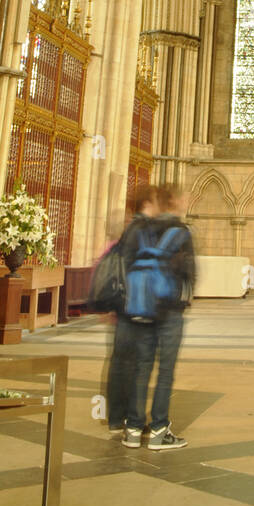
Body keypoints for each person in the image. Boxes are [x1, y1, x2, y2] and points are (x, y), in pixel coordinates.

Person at [122, 184, 196, 451]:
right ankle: (158, 431)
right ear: (173, 202)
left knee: (141, 368)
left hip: (141, 309)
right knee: (165, 372)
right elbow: (189, 273)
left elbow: (125, 263)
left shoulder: (141, 229)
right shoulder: (181, 232)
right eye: (184, 197)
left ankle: (132, 429)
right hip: (170, 310)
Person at [106, 185, 160, 436]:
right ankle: (130, 419)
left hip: (125, 305)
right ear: (148, 203)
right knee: (135, 363)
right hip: (134, 306)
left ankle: (118, 418)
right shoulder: (142, 230)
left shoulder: (131, 229)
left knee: (122, 362)